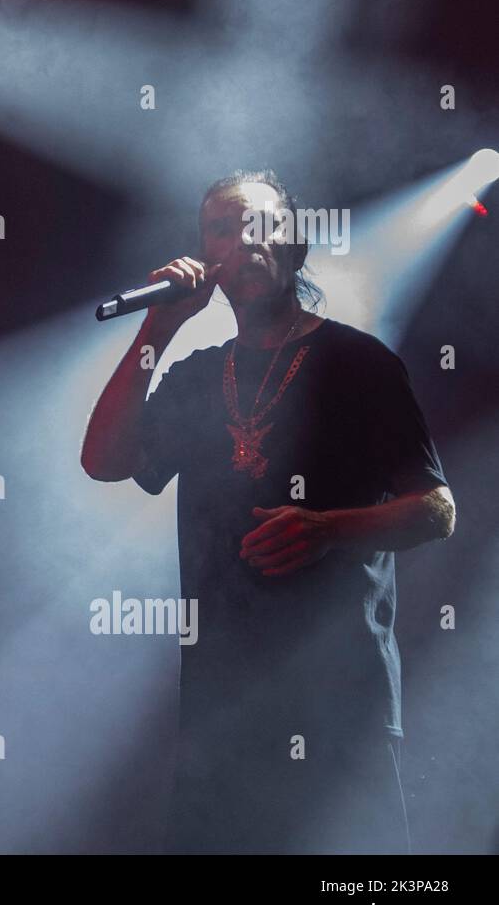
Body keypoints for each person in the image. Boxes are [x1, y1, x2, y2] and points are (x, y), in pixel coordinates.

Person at [80, 169, 456, 853]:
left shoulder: (358, 363)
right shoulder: (197, 374)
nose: (241, 239)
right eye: (221, 229)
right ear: (207, 259)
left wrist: (328, 529)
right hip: (221, 708)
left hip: (338, 696)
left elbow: (436, 508)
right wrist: (156, 331)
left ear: (296, 245)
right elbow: (103, 460)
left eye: (257, 223)